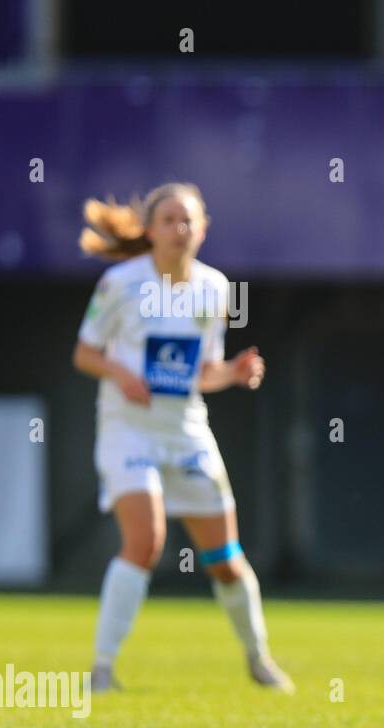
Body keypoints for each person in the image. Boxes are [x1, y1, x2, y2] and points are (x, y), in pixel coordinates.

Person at [72, 182, 293, 693]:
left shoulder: (215, 287)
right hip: (128, 431)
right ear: (150, 230)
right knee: (146, 541)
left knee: (226, 562)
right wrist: (121, 374)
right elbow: (84, 354)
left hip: (187, 432)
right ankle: (101, 669)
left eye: (189, 220)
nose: (180, 229)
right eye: (169, 219)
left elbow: (200, 372)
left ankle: (259, 659)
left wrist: (233, 373)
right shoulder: (120, 282)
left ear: (204, 229)